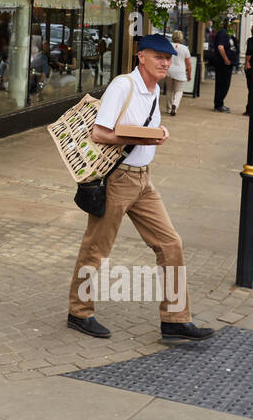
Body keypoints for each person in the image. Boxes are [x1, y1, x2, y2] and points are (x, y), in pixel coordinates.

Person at [66, 34, 213, 342]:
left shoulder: (155, 90)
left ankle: (175, 319)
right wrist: (142, 137)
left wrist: (156, 133)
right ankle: (79, 312)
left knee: (171, 244)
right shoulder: (123, 86)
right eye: (158, 56)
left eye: (168, 58)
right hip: (118, 180)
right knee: (97, 248)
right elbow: (99, 133)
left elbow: (144, 130)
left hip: (144, 180)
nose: (165, 63)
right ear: (141, 56)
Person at [211, 19, 237, 112]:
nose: (234, 26)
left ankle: (220, 103)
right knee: (222, 84)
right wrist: (226, 59)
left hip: (228, 64)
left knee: (225, 84)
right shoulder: (222, 33)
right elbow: (220, 47)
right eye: (233, 24)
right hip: (222, 64)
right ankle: (218, 104)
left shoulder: (229, 34)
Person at [165, 30, 192, 116]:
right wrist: (189, 75)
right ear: (181, 38)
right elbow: (188, 64)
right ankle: (175, 105)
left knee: (169, 90)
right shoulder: (184, 48)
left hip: (169, 70)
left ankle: (169, 108)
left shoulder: (169, 46)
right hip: (180, 72)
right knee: (179, 91)